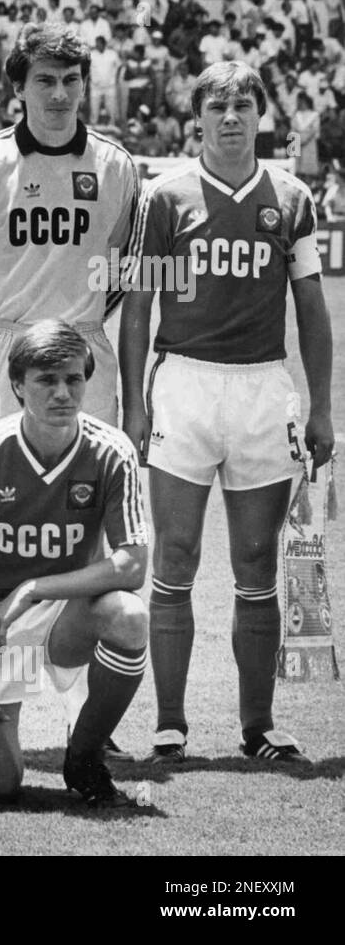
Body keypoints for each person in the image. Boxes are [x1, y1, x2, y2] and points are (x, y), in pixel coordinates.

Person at [120, 61, 334, 764]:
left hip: (262, 389)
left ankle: (257, 726)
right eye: (219, 105)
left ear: (260, 115)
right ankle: (172, 724)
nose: (232, 117)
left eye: (244, 104)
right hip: (183, 382)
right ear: (199, 118)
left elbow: (310, 307)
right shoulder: (165, 198)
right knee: (175, 557)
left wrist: (322, 408)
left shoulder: (292, 197)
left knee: (255, 562)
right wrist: (133, 406)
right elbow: (140, 306)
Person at [0, 321, 149, 808]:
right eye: (46, 381)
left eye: (73, 380)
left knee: (129, 616)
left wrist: (35, 586)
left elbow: (133, 565)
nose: (63, 393)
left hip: (63, 616)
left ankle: (84, 757)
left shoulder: (111, 451)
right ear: (17, 384)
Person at [0, 24, 139, 437]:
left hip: (84, 349)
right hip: (6, 346)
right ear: (19, 88)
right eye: (45, 80)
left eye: (70, 80)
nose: (60, 94)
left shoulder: (117, 166)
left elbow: (124, 267)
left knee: (85, 487)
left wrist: (87, 318)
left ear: (83, 86)